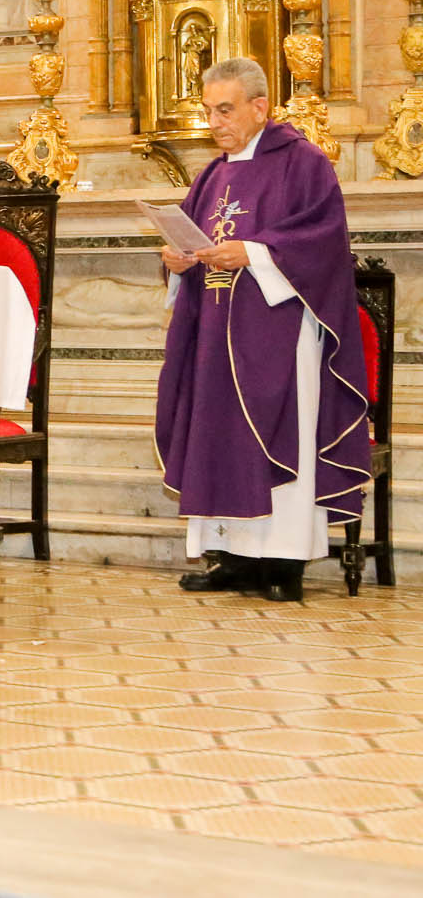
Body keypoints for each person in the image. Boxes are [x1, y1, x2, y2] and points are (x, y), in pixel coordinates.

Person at [156, 58, 369, 603]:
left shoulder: (304, 164)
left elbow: (323, 242)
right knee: (217, 435)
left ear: (259, 107)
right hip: (215, 331)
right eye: (208, 111)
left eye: (224, 110)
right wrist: (178, 260)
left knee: (279, 433)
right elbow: (196, 241)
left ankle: (282, 562)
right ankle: (231, 556)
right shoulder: (211, 174)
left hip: (277, 331)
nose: (214, 122)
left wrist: (251, 252)